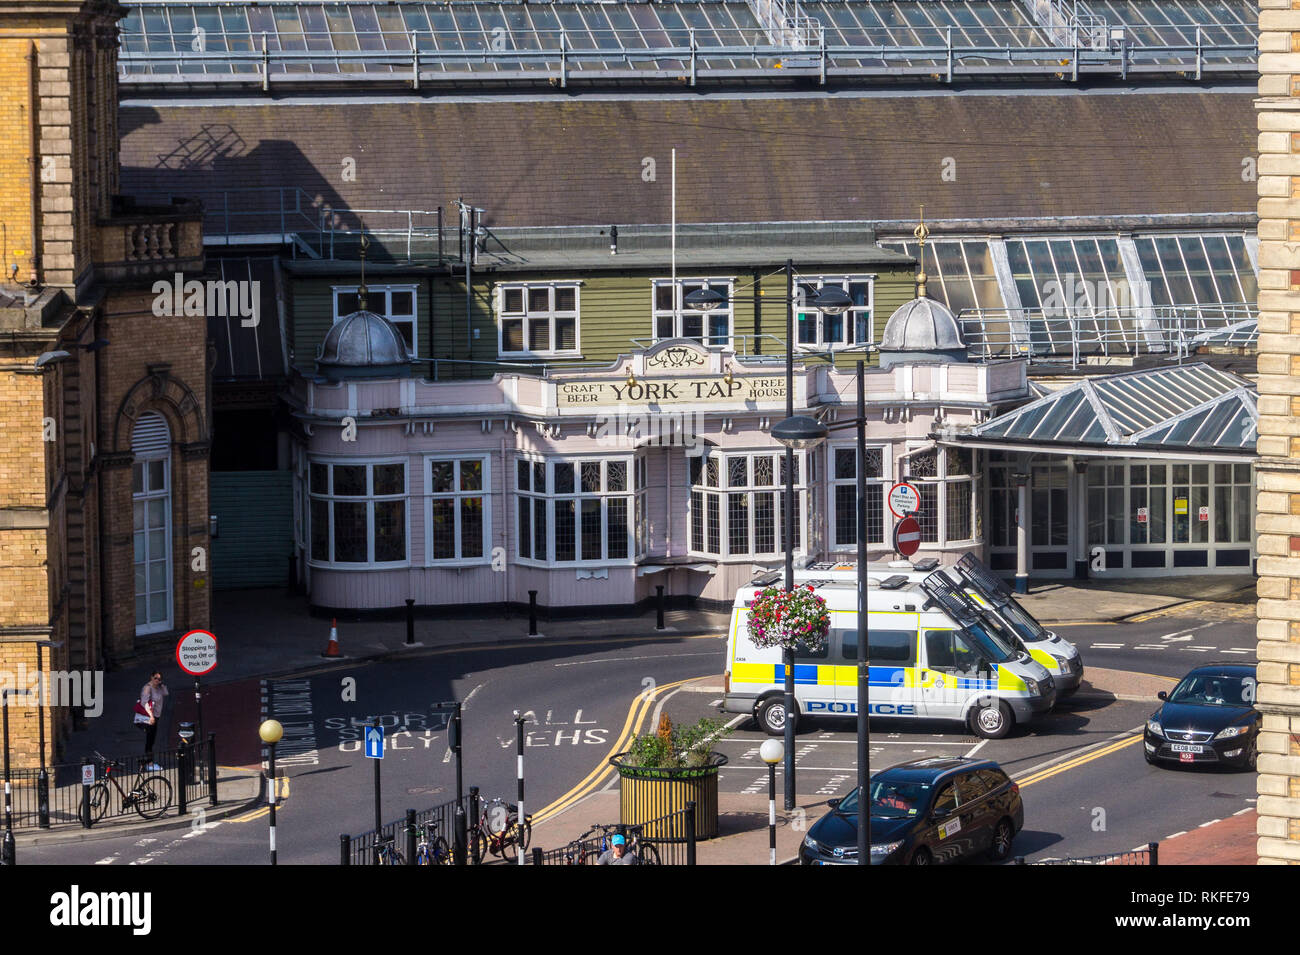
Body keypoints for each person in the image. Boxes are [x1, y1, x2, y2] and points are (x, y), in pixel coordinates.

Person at [137, 671, 169, 770]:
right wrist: (151, 716)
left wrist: (162, 685)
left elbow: (166, 693)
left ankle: (146, 762)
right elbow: (144, 703)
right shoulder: (147, 688)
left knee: (152, 740)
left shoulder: (159, 688)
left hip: (156, 717)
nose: (157, 680)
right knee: (150, 740)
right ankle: (149, 764)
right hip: (150, 718)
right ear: (151, 677)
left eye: (159, 679)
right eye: (155, 678)